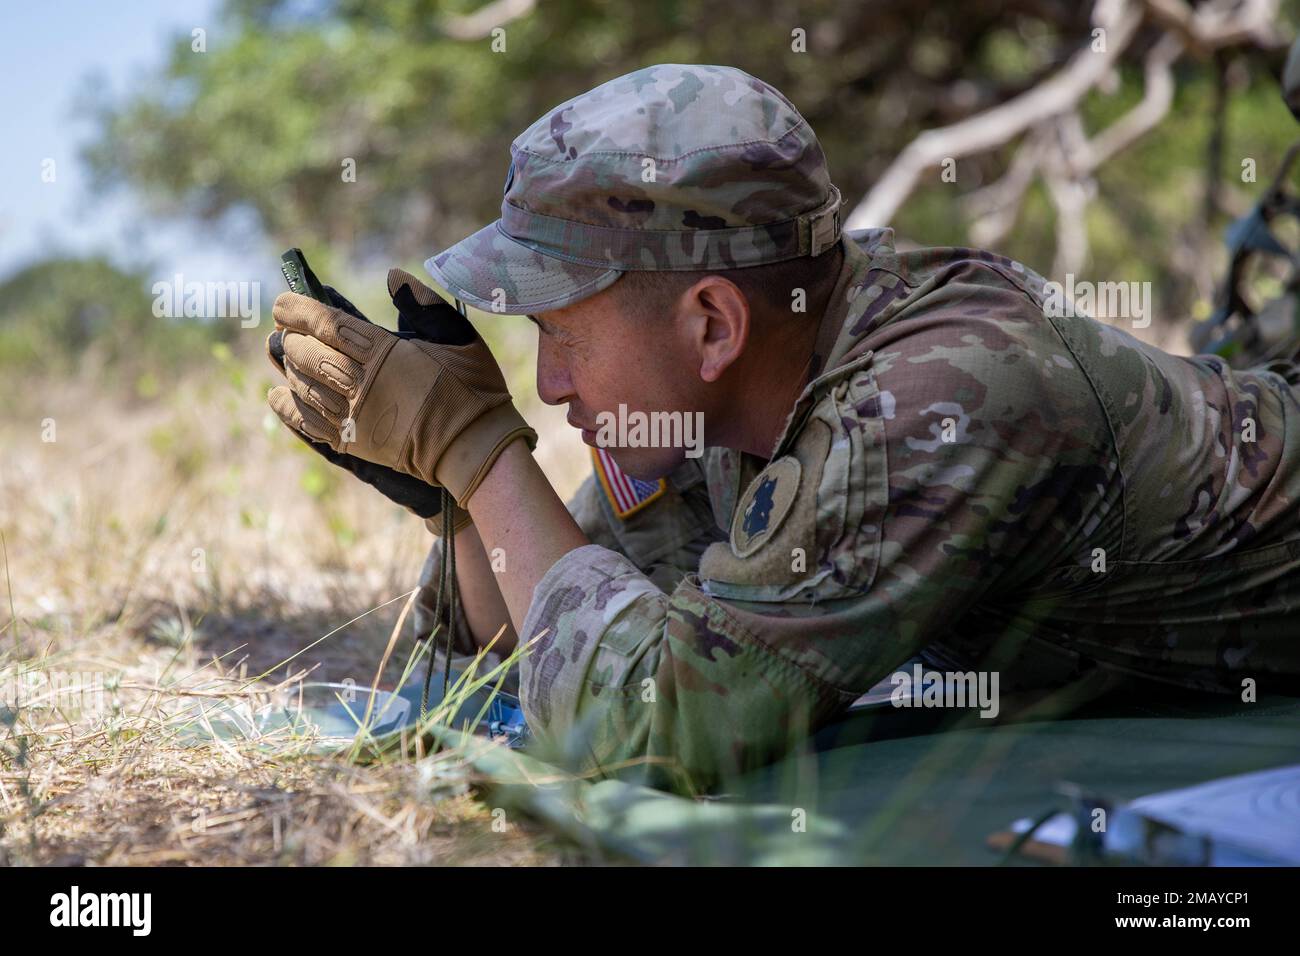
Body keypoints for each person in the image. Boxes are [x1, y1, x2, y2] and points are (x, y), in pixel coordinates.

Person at [267, 63, 1300, 793]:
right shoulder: (729, 401)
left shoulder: (928, 400)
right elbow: (532, 641)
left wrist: (474, 447)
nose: (548, 380)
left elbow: (651, 729)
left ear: (711, 322)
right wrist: (456, 496)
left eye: (558, 331)